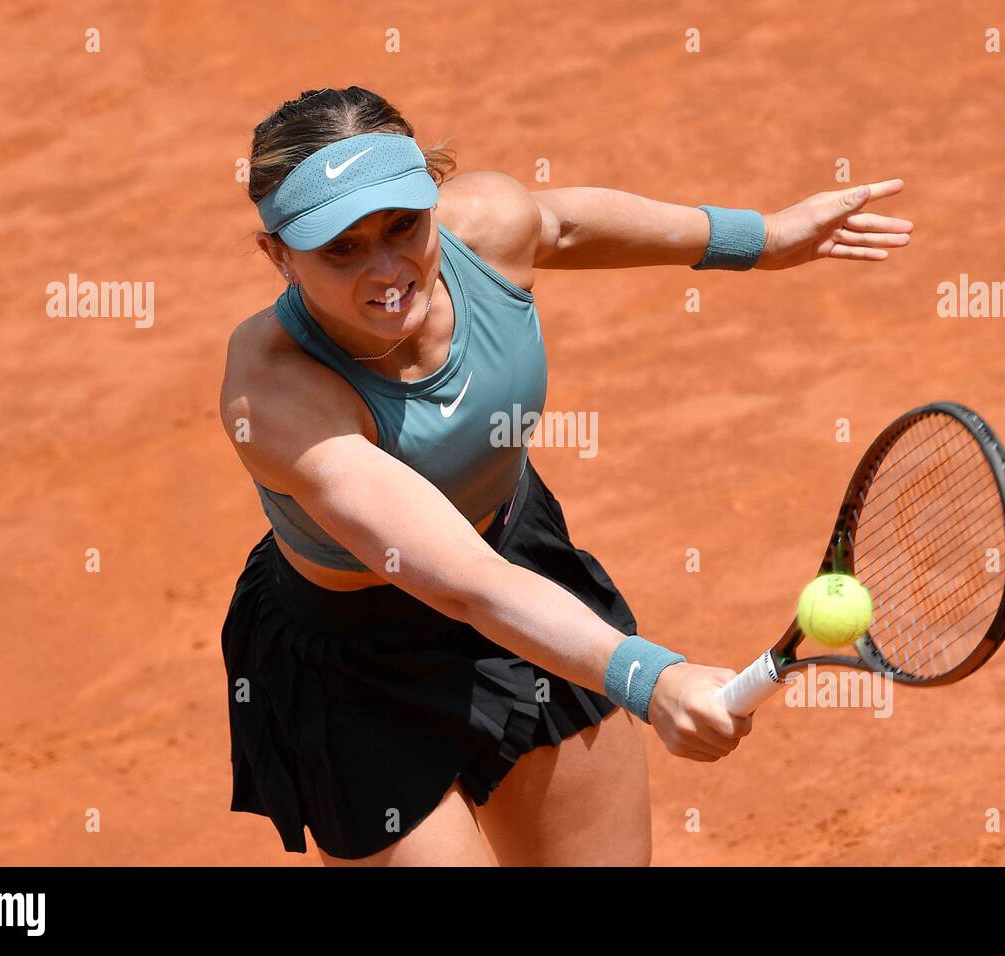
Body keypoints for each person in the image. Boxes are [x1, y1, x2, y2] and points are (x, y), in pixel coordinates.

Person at [218, 86, 912, 866]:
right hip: (359, 668)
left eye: (404, 225)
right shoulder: (271, 394)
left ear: (434, 202)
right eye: (339, 247)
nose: (385, 268)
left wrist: (765, 236)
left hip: (526, 570)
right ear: (277, 255)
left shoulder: (487, 227)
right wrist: (652, 679)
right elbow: (465, 584)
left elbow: (564, 223)